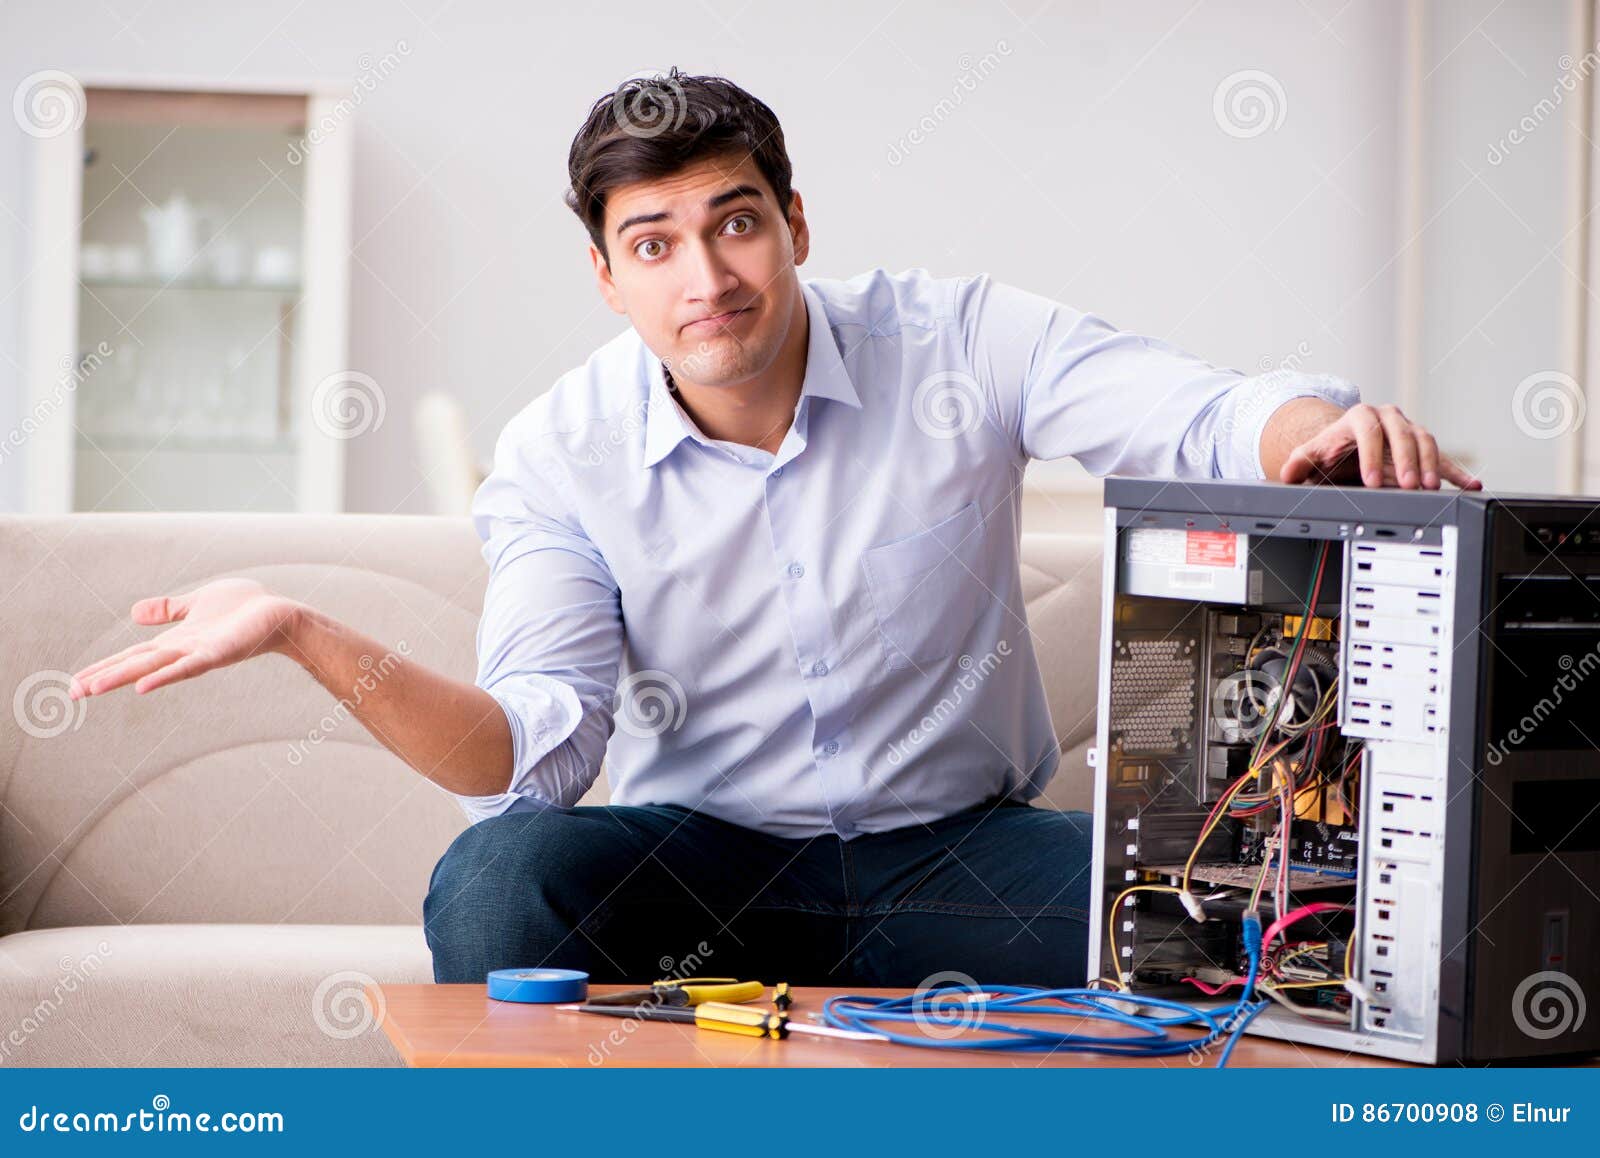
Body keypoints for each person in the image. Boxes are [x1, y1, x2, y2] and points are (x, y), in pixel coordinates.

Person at [68, 70, 1477, 989]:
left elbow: (1205, 414)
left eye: (734, 223)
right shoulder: (561, 455)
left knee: (1259, 920)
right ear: (608, 275)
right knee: (498, 884)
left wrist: (1327, 441)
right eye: (655, 243)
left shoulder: (959, 340)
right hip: (709, 869)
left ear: (795, 223)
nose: (708, 276)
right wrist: (305, 634)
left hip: (962, 860)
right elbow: (530, 754)